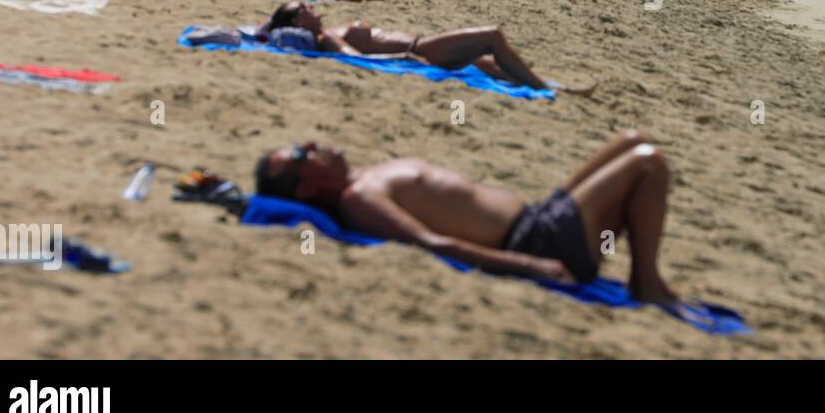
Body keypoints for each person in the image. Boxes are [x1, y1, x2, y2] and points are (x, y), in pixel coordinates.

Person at [254, 131, 684, 305]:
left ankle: (643, 277)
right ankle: (645, 280)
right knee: (649, 161)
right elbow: (431, 245)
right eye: (300, 154)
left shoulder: (362, 179)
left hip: (539, 216)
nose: (311, 143)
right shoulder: (360, 197)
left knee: (634, 140)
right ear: (306, 187)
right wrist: (530, 266)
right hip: (539, 242)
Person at [262, 1, 592, 94]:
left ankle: (549, 86)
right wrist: (402, 57)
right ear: (299, 21)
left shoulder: (325, 33)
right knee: (492, 36)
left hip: (422, 46)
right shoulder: (328, 39)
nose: (313, 7)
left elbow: (266, 29)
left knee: (484, 63)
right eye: (305, 8)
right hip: (423, 49)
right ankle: (543, 87)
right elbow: (357, 59)